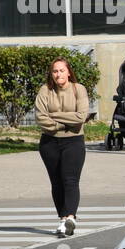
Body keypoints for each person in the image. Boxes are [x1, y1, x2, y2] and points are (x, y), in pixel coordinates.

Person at [35, 57, 88, 238]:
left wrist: (54, 115)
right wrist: (62, 124)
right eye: (55, 71)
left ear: (69, 72)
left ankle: (71, 217)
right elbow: (41, 118)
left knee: (70, 180)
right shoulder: (45, 90)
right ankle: (63, 219)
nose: (58, 74)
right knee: (56, 182)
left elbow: (81, 117)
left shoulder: (78, 89)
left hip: (74, 141)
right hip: (49, 142)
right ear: (51, 74)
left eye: (62, 70)